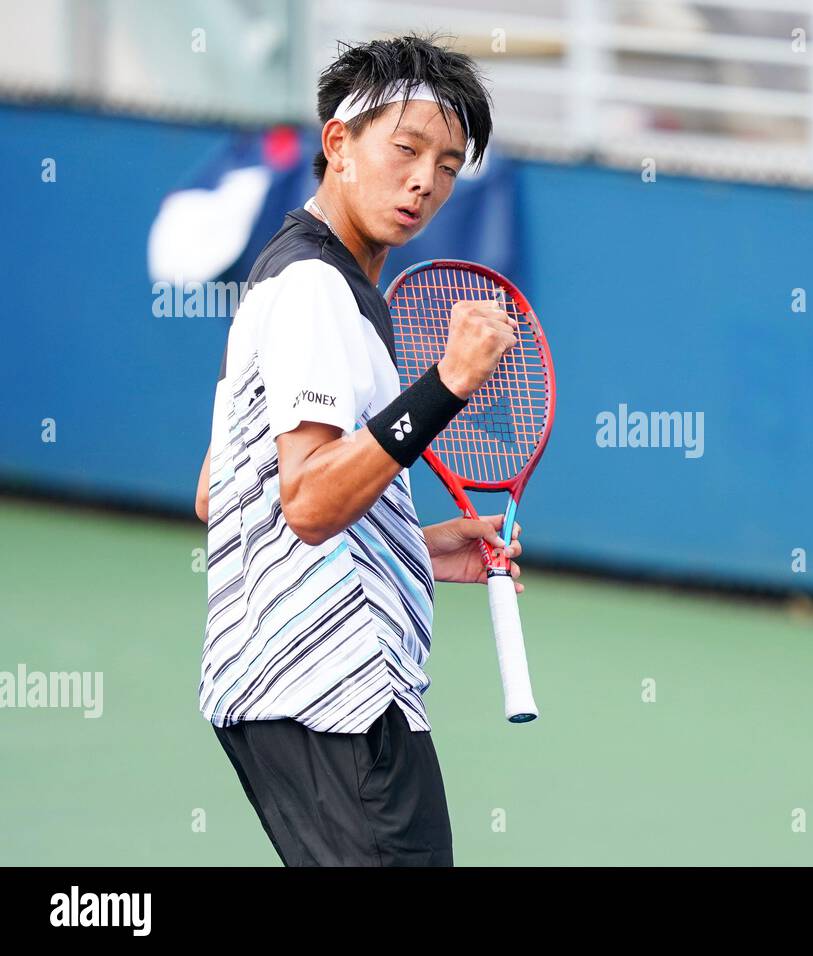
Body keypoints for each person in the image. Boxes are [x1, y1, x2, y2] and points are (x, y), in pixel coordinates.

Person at [193, 34, 519, 866]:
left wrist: (408, 543)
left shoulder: (283, 274)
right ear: (338, 143)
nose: (425, 182)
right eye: (405, 149)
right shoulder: (314, 290)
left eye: (448, 165)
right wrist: (446, 385)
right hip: (334, 694)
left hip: (286, 696)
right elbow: (306, 505)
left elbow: (219, 491)